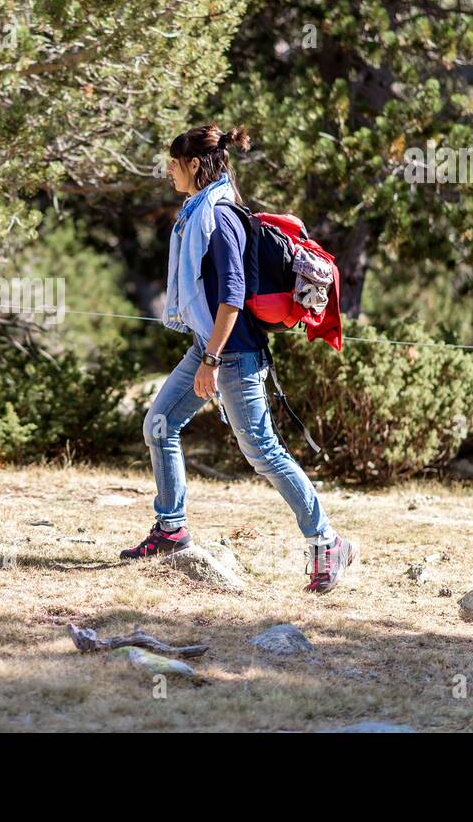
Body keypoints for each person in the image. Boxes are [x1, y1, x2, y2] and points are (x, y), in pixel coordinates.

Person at [120, 123, 358, 593]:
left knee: (262, 451)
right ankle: (171, 529)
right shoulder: (197, 213)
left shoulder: (221, 217)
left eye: (173, 162)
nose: (168, 170)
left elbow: (231, 298)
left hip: (233, 353)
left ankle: (327, 541)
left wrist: (211, 360)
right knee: (160, 424)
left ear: (193, 164)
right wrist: (204, 355)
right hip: (207, 348)